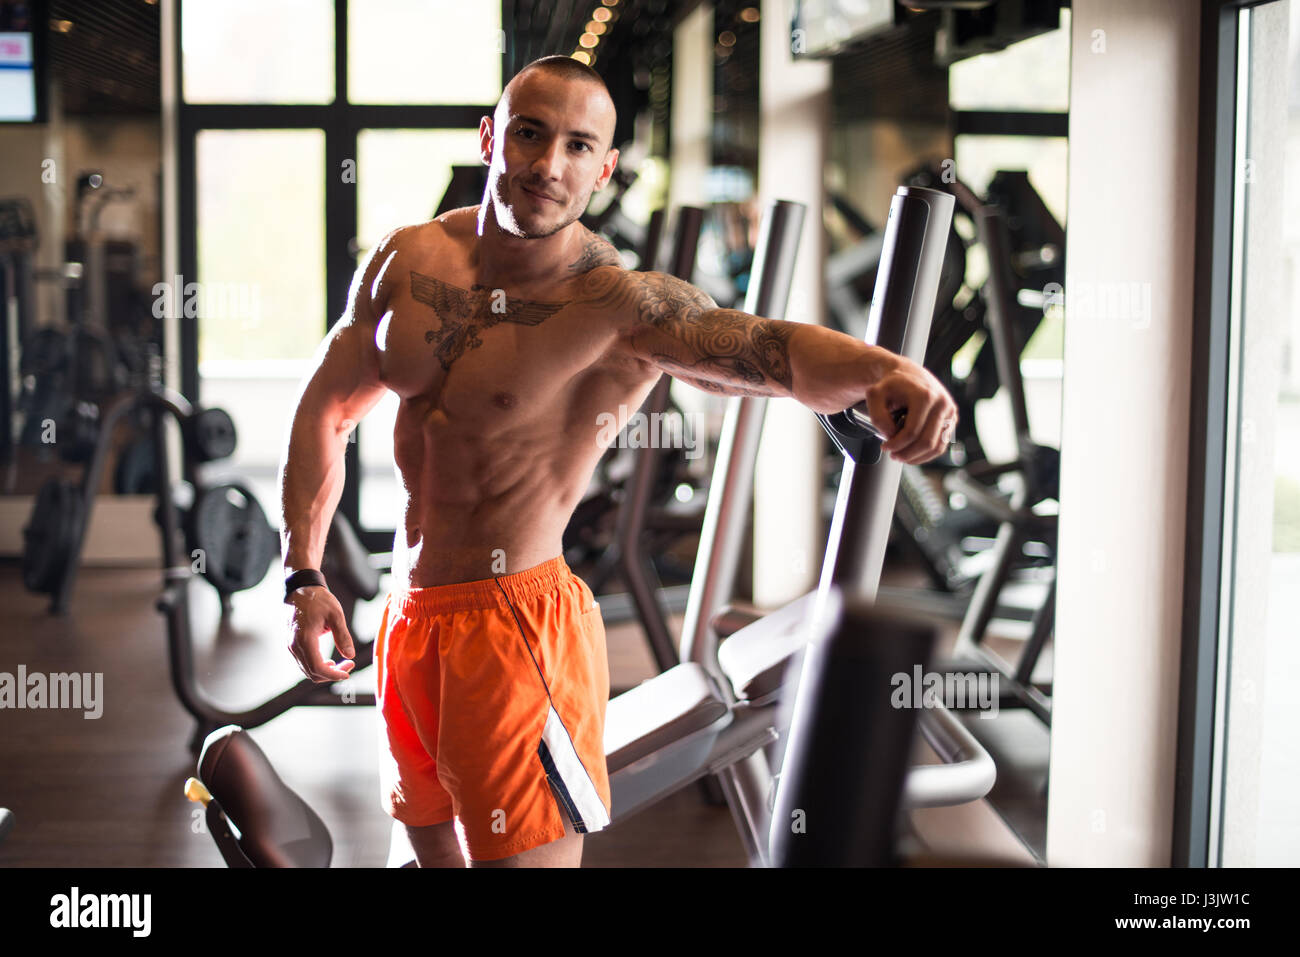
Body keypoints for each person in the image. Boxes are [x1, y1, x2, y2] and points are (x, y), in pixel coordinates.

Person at [279, 55, 958, 869]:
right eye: (530, 135)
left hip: (514, 628)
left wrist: (889, 371)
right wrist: (304, 574)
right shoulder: (406, 260)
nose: (546, 166)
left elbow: (767, 348)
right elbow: (328, 406)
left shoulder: (617, 305)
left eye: (576, 147)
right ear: (491, 137)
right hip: (408, 619)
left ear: (603, 168)